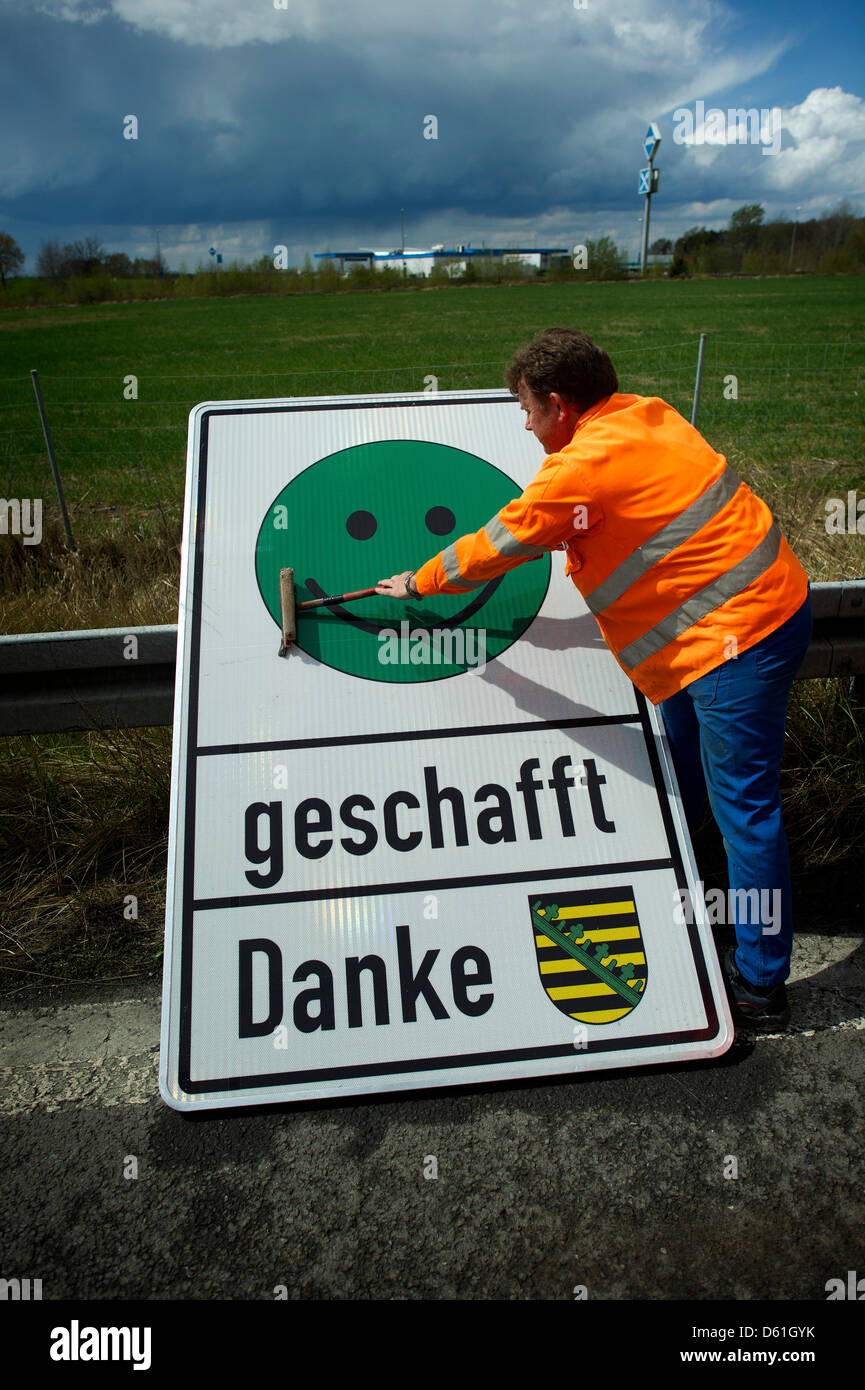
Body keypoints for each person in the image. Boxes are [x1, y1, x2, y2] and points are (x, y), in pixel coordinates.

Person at [377, 327, 812, 1031]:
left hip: (735, 644)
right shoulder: (649, 413)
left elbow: (500, 544)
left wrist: (417, 582)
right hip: (761, 612)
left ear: (558, 404)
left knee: (745, 810)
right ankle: (702, 907)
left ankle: (761, 983)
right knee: (687, 782)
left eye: (526, 409)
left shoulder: (578, 470)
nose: (522, 424)